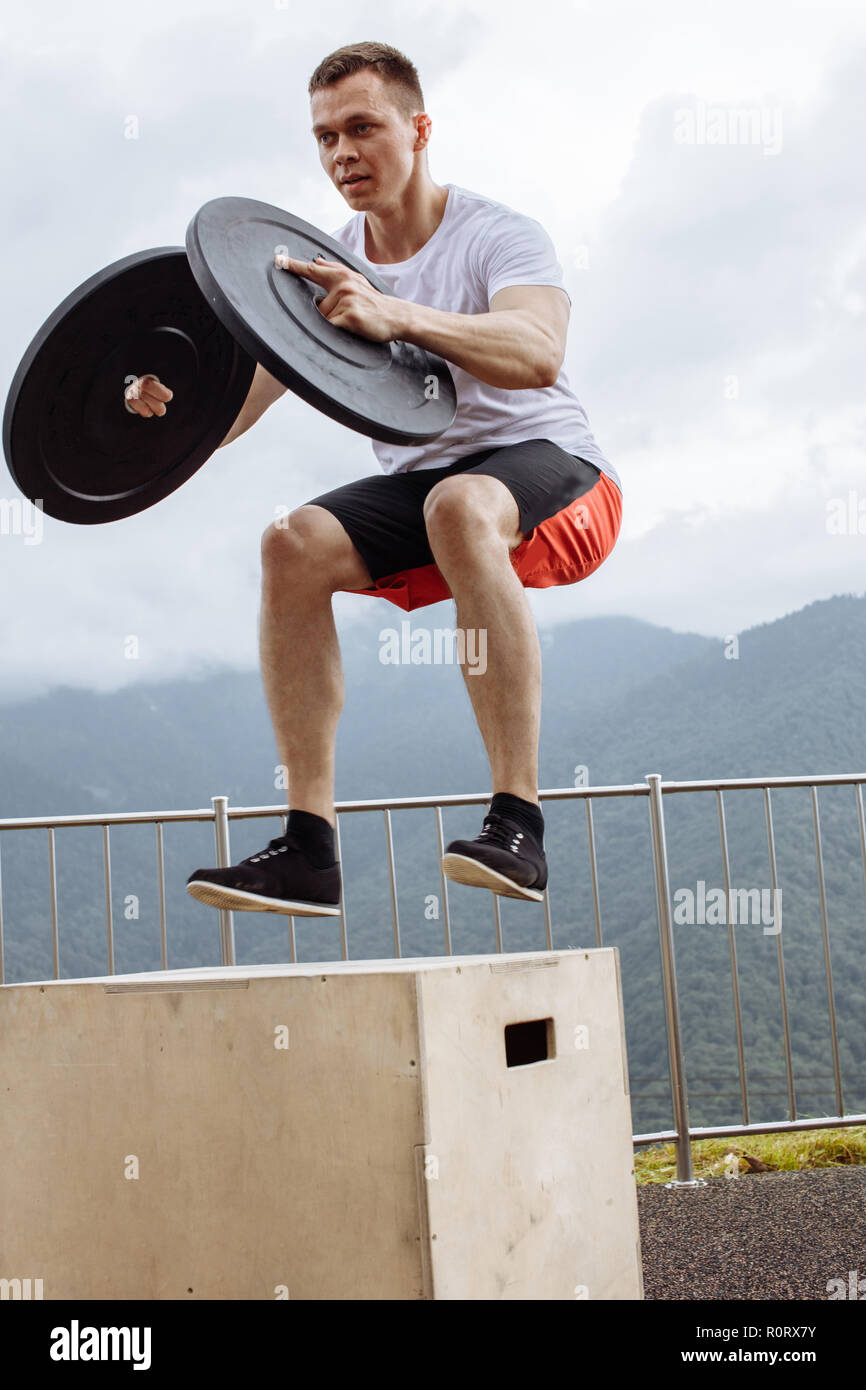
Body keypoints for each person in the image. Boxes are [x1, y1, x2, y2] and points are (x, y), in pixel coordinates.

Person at [131, 41, 622, 917]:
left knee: (460, 503)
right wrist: (162, 418)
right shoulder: (315, 266)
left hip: (558, 473)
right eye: (324, 138)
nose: (341, 154)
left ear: (419, 128)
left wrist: (395, 312)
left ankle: (519, 825)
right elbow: (238, 409)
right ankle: (307, 852)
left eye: (362, 127)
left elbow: (538, 353)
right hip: (434, 491)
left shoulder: (497, 235)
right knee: (291, 544)